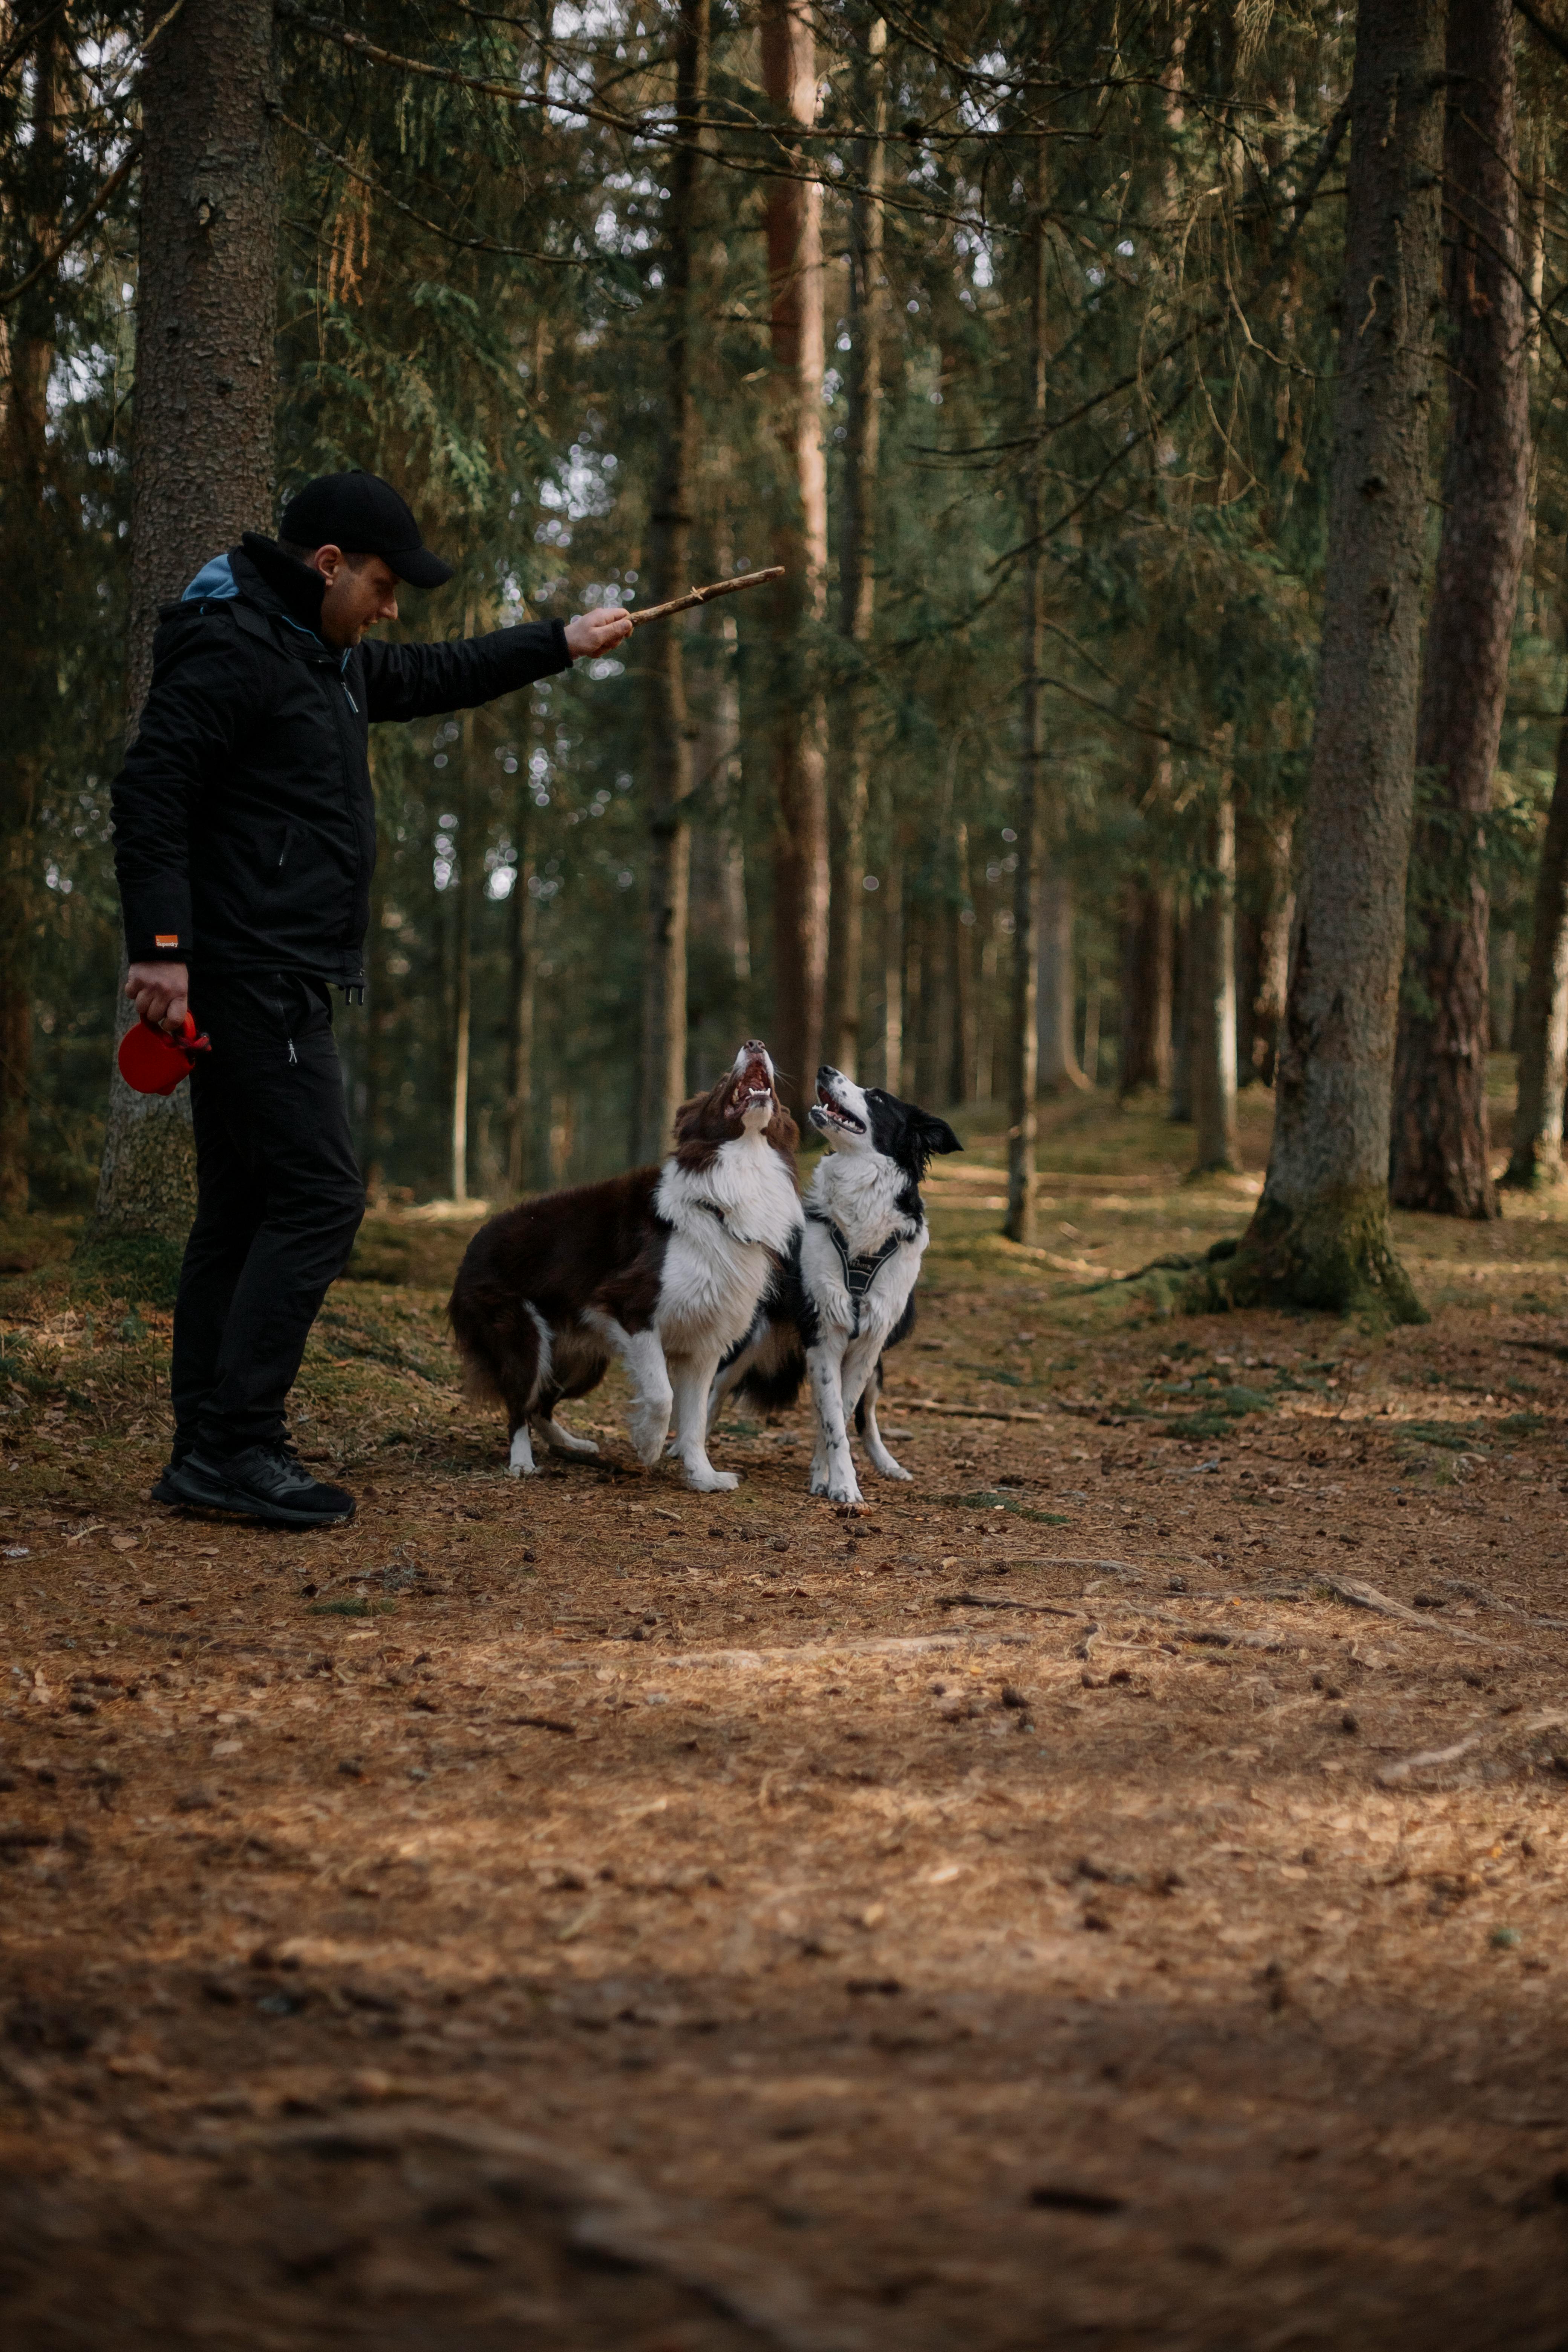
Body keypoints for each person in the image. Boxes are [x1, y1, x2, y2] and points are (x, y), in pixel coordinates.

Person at [112, 469, 632, 1529]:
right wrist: (163, 950)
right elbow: (151, 793)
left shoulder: (327, 657)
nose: (393, 610)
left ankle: (205, 1446)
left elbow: (436, 673)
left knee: (244, 1209)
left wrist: (559, 641)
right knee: (321, 1199)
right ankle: (239, 1443)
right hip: (251, 974)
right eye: (385, 586)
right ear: (329, 566)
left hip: (281, 972)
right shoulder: (234, 646)